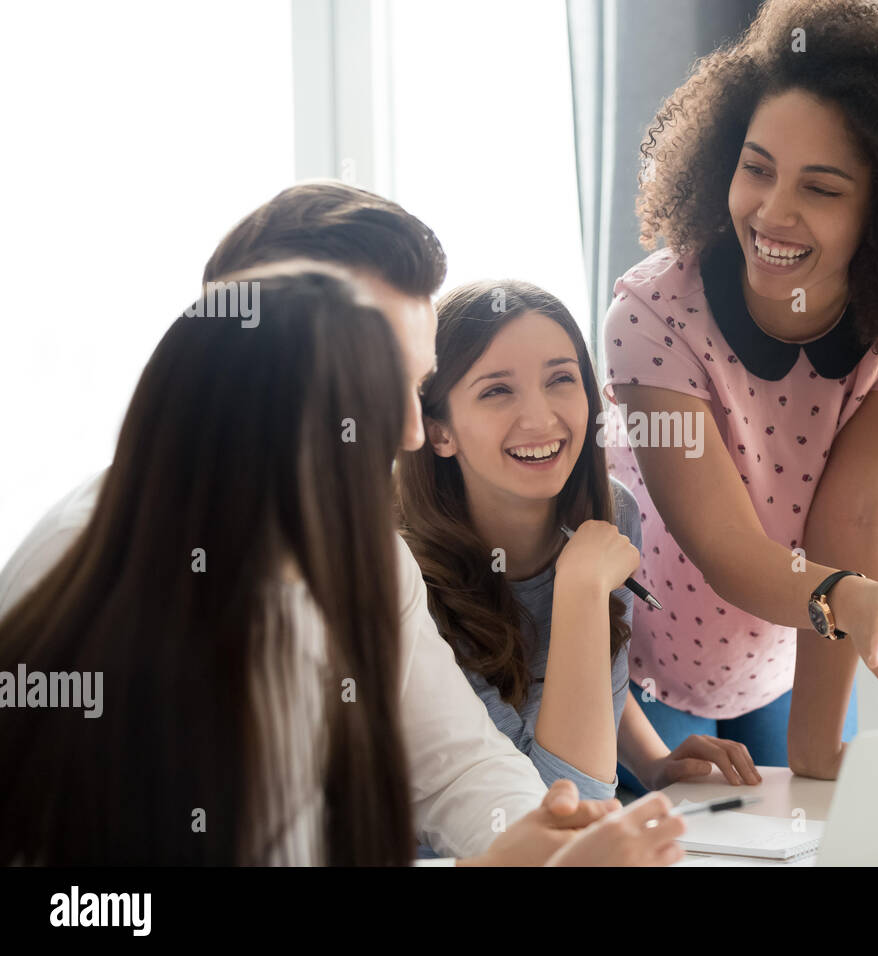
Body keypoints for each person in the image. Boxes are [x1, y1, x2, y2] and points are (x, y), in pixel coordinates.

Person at [0, 184, 684, 865]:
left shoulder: (372, 560)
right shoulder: (96, 570)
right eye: (380, 382)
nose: (414, 433)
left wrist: (554, 840)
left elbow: (457, 767)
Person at [601, 0, 878, 779]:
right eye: (757, 168)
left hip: (793, 656)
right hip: (646, 672)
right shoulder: (651, 316)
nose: (773, 211)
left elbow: (860, 516)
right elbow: (725, 547)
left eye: (822, 187)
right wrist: (845, 600)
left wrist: (816, 743)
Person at [395, 280, 761, 799]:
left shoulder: (612, 513)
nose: (542, 418)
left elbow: (584, 669)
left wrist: (653, 762)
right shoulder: (398, 570)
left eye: (561, 379)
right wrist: (581, 591)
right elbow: (559, 812)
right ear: (439, 431)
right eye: (497, 390)